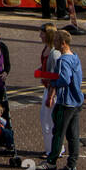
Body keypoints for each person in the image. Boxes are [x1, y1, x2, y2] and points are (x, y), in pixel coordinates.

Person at [38, 29, 83, 170]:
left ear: (63, 43)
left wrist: (53, 83)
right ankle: (72, 163)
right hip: (76, 101)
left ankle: (51, 161)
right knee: (73, 135)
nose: (54, 43)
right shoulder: (75, 57)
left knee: (58, 132)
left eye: (56, 41)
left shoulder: (63, 60)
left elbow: (64, 79)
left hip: (66, 101)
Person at [34, 22, 59, 157]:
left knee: (48, 122)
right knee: (47, 121)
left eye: (42, 33)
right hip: (47, 89)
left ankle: (52, 151)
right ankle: (55, 149)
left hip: (52, 91)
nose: (40, 36)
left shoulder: (54, 53)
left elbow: (56, 75)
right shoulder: (47, 48)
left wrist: (50, 96)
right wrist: (41, 70)